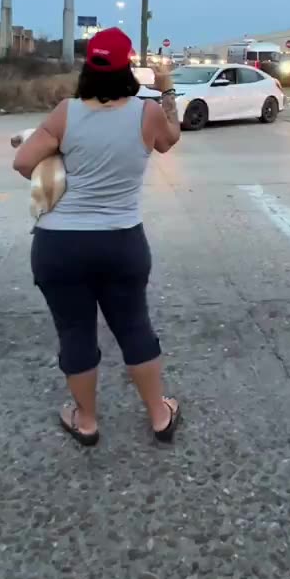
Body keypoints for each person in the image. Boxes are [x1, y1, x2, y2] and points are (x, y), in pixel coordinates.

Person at [13, 27, 182, 446]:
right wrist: (167, 89)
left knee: (75, 332)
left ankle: (86, 421)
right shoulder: (147, 114)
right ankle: (159, 415)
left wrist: (60, 152)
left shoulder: (65, 112)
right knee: (134, 326)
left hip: (59, 245)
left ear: (89, 66)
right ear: (127, 67)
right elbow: (170, 140)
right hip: (120, 241)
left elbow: (23, 162)